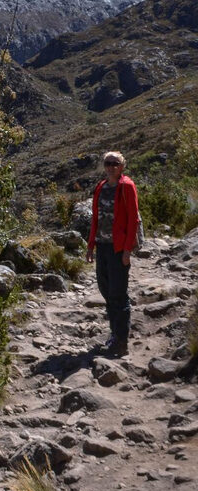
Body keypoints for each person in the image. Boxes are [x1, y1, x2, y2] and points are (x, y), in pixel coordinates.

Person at [86, 151, 139, 357]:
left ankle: (121, 341)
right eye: (108, 163)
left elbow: (133, 219)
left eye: (115, 164)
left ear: (122, 166)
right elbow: (96, 218)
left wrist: (127, 251)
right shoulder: (101, 187)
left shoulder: (127, 186)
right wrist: (91, 246)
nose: (111, 167)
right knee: (106, 290)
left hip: (118, 249)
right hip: (102, 246)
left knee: (118, 293)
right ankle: (114, 333)